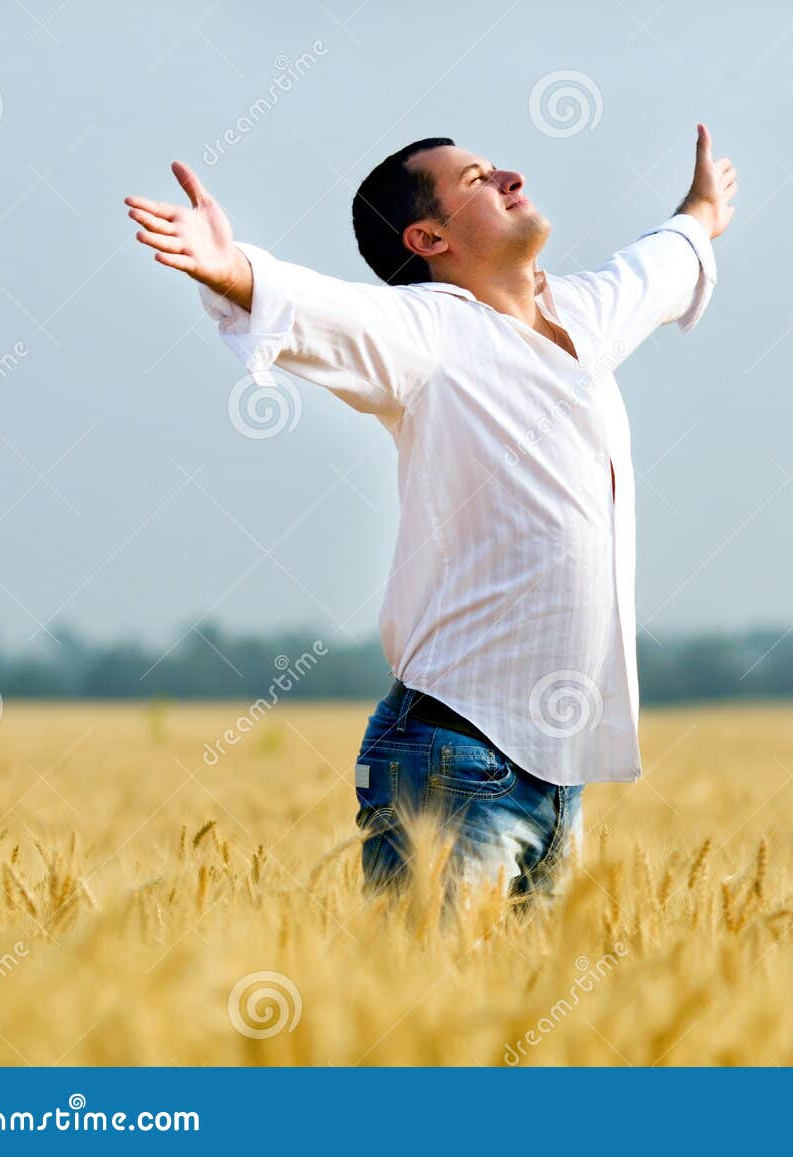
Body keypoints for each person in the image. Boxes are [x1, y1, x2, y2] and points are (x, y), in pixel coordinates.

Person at [124, 124, 737, 906]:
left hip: (558, 775)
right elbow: (324, 309)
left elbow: (659, 264)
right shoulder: (426, 331)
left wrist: (700, 211)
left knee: (523, 1025)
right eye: (480, 178)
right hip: (454, 756)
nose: (512, 176)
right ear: (429, 237)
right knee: (422, 1010)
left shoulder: (584, 313)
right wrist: (233, 268)